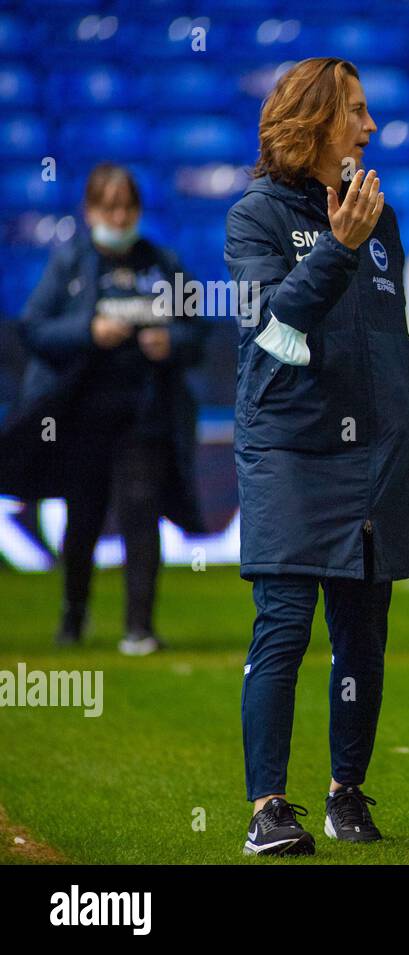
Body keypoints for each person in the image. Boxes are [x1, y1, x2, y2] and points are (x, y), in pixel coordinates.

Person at [224, 57, 409, 856]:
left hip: (376, 452)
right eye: (355, 110)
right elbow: (273, 333)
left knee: (363, 634)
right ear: (312, 122)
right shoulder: (254, 218)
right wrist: (336, 248)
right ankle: (267, 807)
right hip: (290, 446)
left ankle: (347, 793)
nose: (370, 126)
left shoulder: (379, 213)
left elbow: (390, 332)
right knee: (283, 625)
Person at [0, 163, 207, 655]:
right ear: (90, 210)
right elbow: (34, 329)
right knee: (83, 520)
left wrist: (169, 341)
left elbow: (198, 333)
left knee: (141, 512)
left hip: (144, 417)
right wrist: (88, 333)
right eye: (109, 206)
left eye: (128, 206)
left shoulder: (163, 263)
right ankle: (74, 614)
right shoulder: (68, 264)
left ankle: (140, 627)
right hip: (79, 420)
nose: (119, 215)